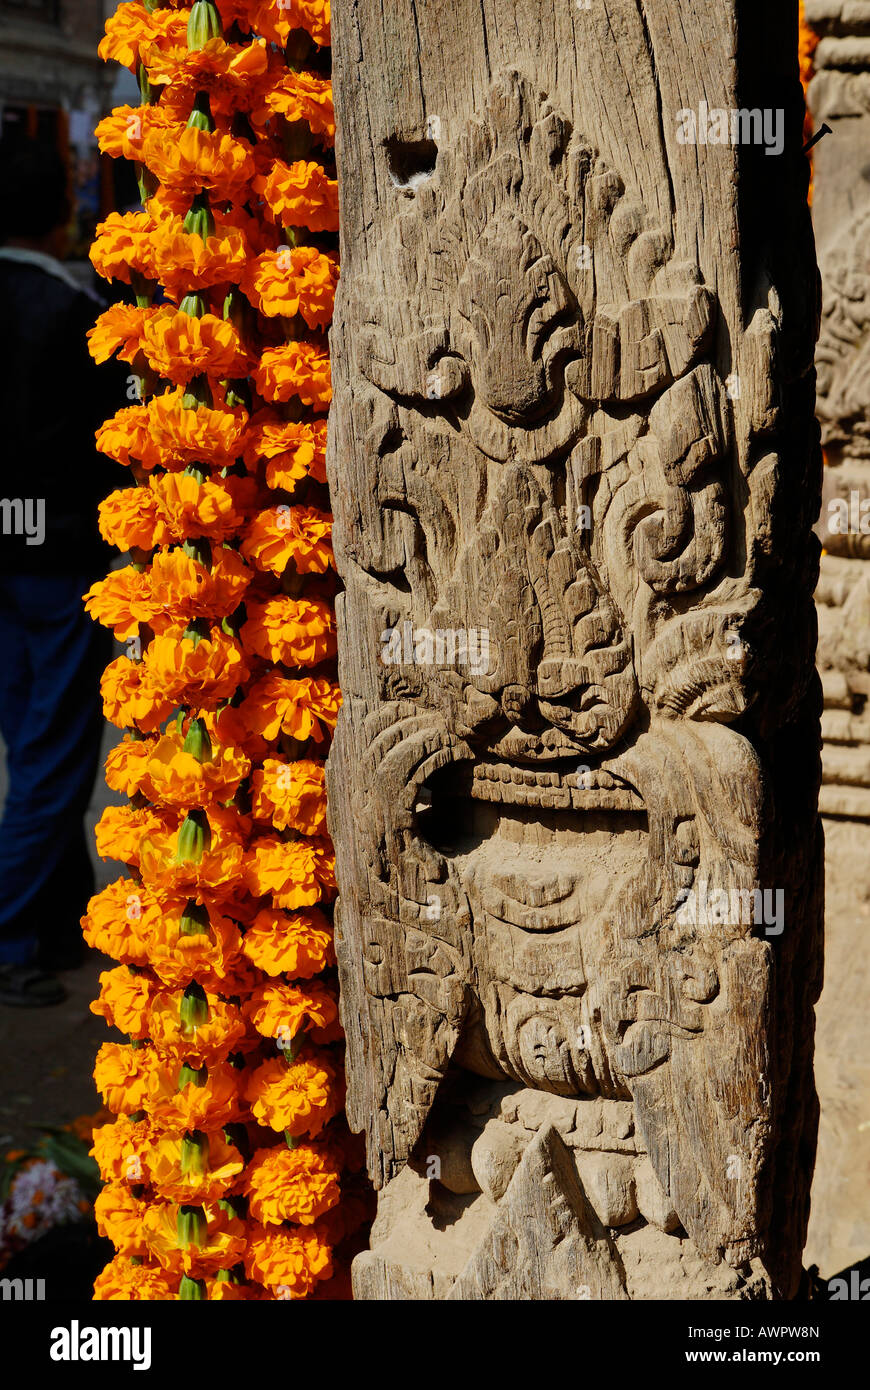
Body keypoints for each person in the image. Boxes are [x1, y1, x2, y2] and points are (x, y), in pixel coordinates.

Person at [0, 137, 123, 1005]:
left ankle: (52, 919)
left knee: (29, 744)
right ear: (60, 215)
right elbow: (111, 442)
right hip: (56, 559)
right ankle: (9, 937)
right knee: (52, 758)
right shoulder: (69, 307)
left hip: (2, 556)